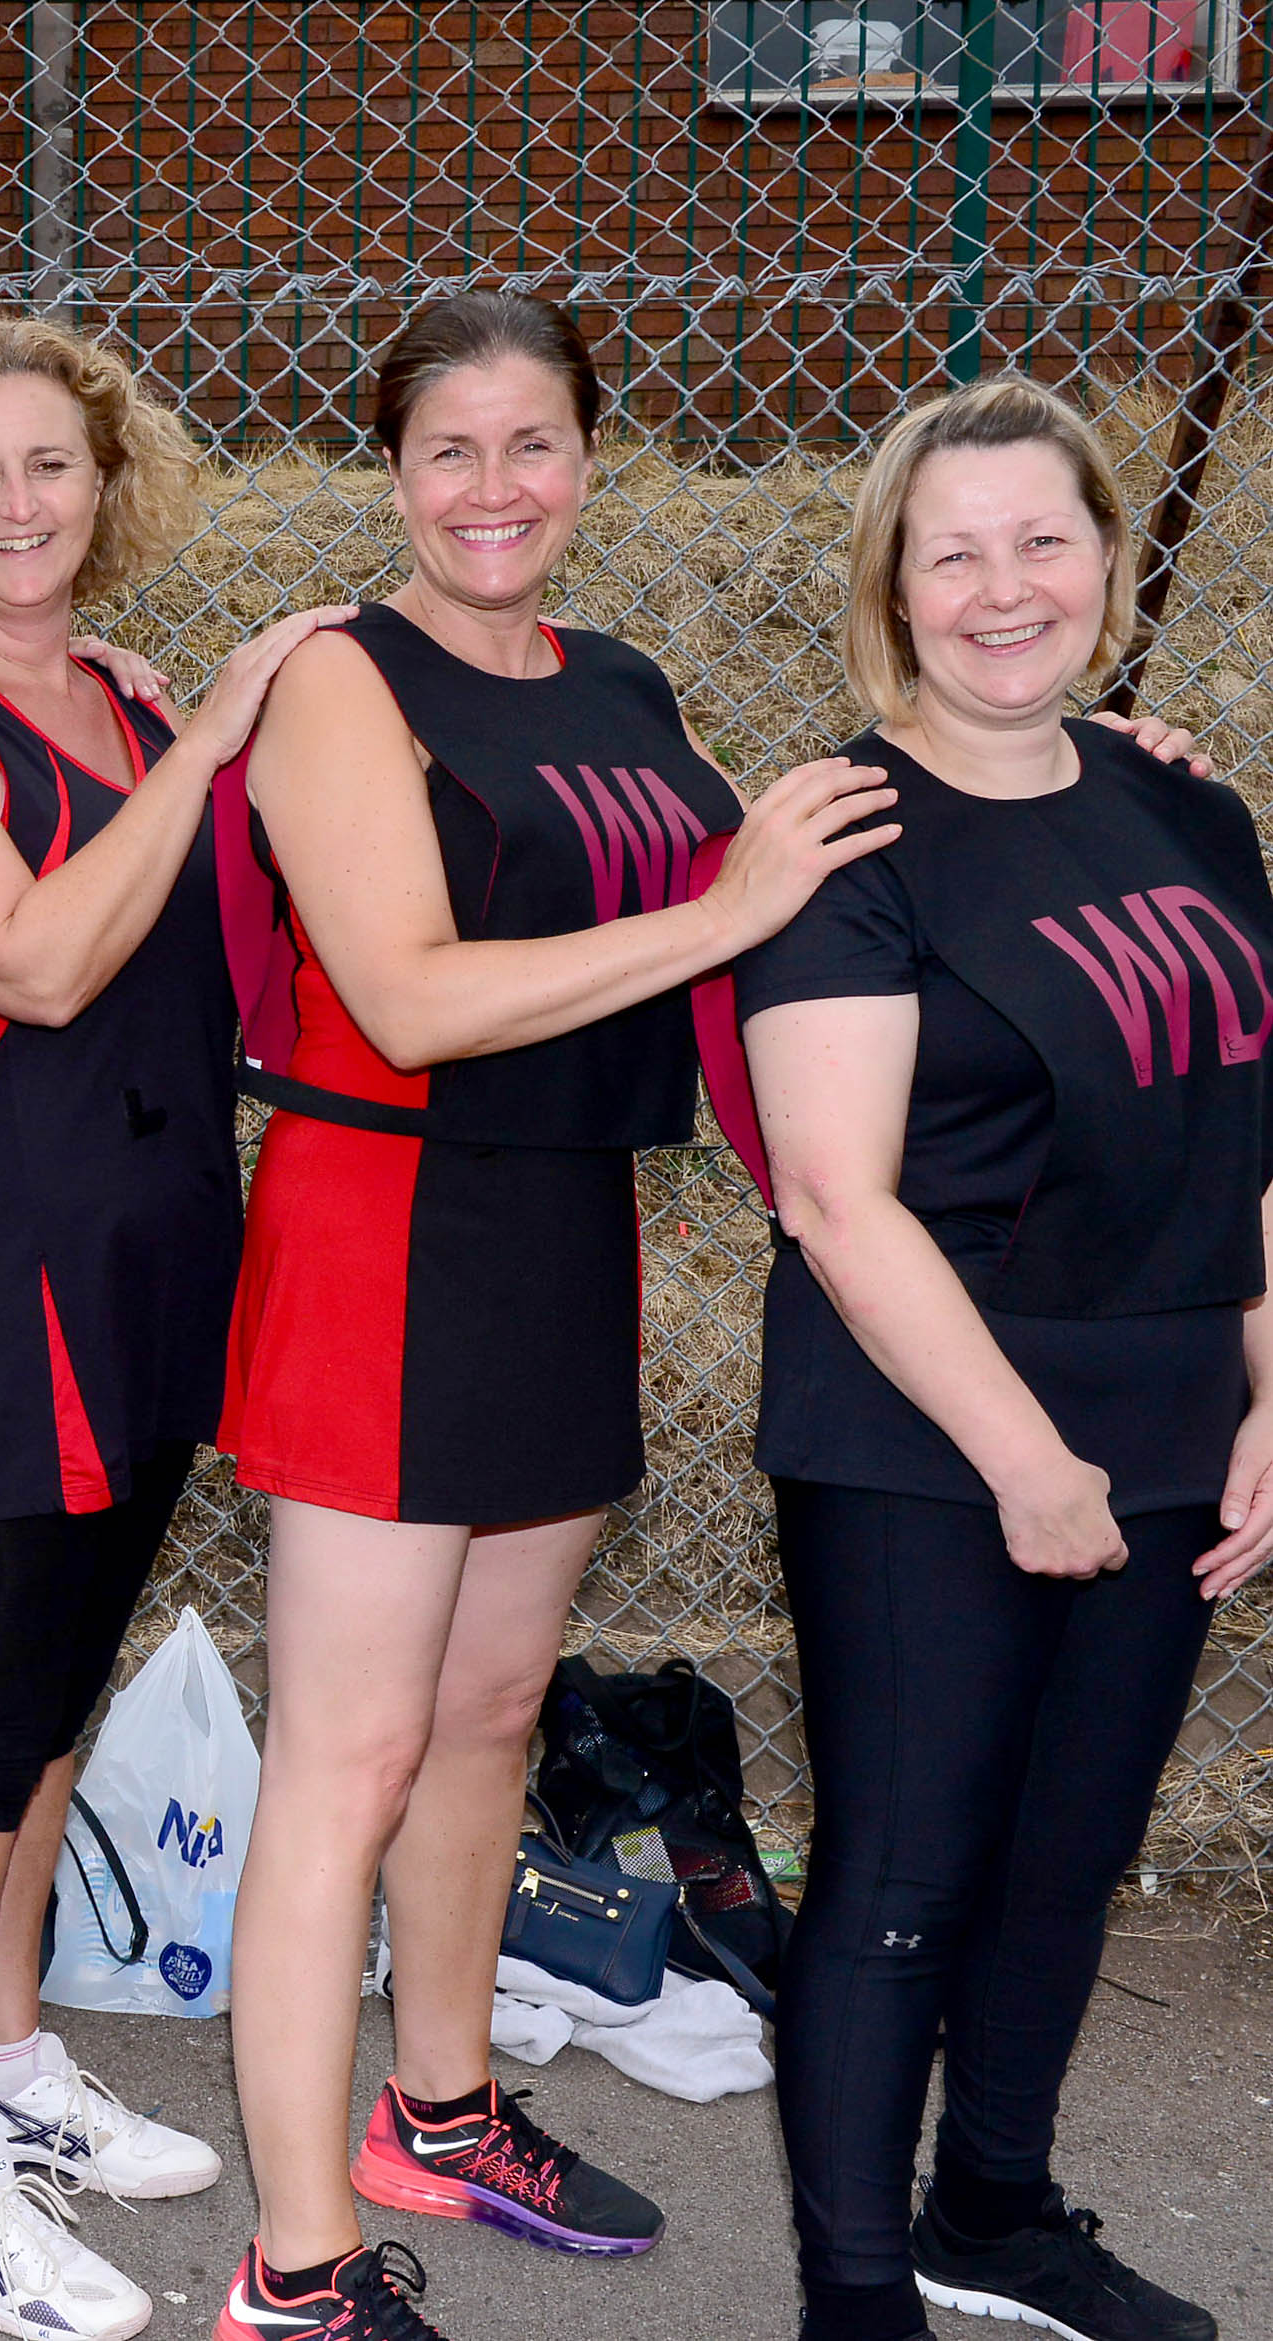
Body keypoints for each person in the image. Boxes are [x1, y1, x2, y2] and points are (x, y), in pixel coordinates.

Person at [208, 291, 896, 2341]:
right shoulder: (346, 681)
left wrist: (1087, 769)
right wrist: (718, 906)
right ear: (393, 469)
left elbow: (803, 871)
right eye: (448, 451)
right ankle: (291, 2269)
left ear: (588, 458)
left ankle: (433, 2107)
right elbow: (407, 995)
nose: (491, 489)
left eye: (529, 446)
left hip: (552, 1235)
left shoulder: (617, 678)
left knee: (490, 1718)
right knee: (344, 1752)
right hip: (380, 1230)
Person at [0, 312, 351, 2340]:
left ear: (103, 489)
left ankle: (10, 2059)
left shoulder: (127, 705)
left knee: (48, 1704)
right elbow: (34, 963)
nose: (19, 502)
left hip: (152, 1249)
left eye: (54, 465)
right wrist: (208, 741)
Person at [734, 378, 1256, 2341]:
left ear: (1110, 562)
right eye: (951, 549)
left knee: (1068, 1854)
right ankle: (856, 2290)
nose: (1002, 585)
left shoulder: (1184, 800)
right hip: (927, 1422)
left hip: (1162, 1400)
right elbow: (834, 1198)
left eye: (1042, 538)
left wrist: (1268, 1382)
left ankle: (997, 2212)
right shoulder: (844, 835)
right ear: (892, 584)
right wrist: (1027, 1459)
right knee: (900, 1873)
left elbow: (1240, 1120)